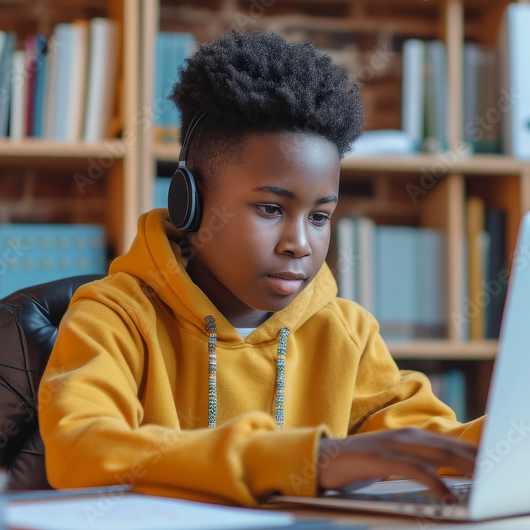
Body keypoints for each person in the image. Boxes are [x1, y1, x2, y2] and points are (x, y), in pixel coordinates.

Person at [38, 29, 481, 508]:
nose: (299, 244)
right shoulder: (114, 315)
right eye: (270, 208)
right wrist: (313, 460)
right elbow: (81, 448)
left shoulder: (346, 331)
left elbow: (435, 445)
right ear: (190, 202)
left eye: (319, 217)